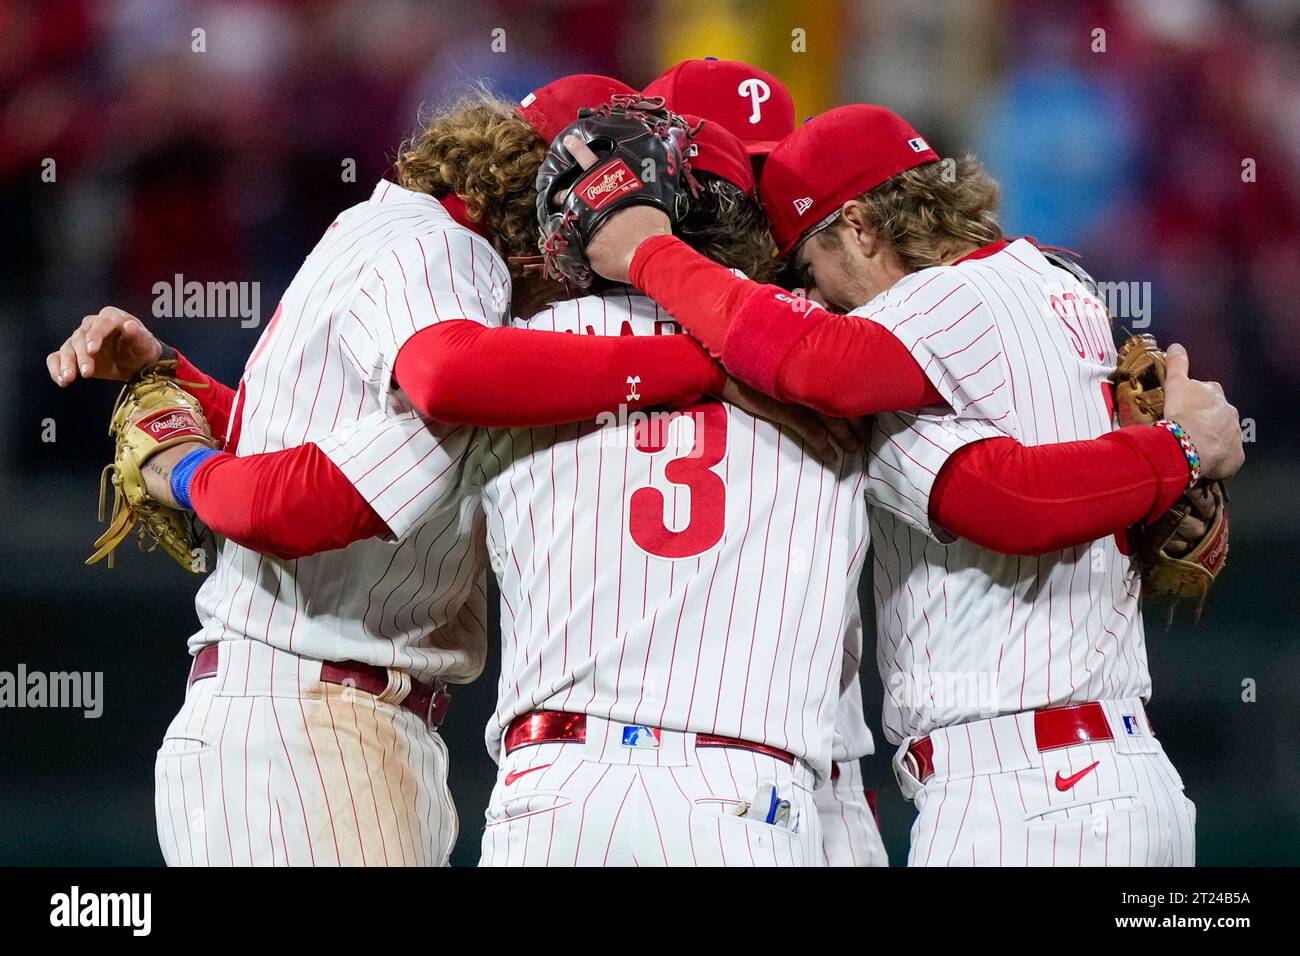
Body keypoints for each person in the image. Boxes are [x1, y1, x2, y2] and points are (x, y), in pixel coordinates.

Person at [561, 103, 1244, 865]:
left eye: (807, 268)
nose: (812, 297)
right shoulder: (1055, 283)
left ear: (859, 227)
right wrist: (1177, 450)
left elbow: (983, 483)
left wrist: (653, 255)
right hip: (1119, 776)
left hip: (1029, 795)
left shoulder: (938, 302)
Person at [646, 57, 887, 865]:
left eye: (763, 176)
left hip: (822, 757)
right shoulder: (591, 322)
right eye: (725, 178)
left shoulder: (836, 323)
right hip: (637, 749)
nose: (751, 211)